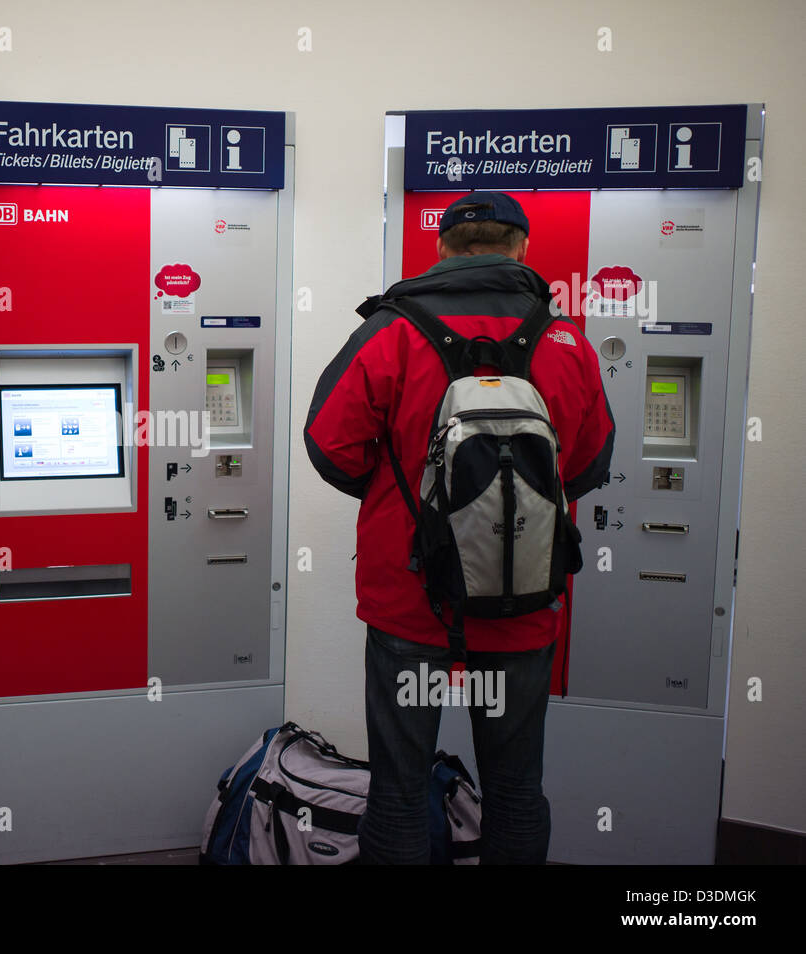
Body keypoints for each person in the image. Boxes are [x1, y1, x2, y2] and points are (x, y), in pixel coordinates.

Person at [304, 192, 614, 863]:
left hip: (410, 602)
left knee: (399, 789)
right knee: (515, 790)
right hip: (522, 605)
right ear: (521, 248)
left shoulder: (390, 333)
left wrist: (401, 490)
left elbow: (330, 447)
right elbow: (587, 467)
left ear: (442, 249)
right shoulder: (567, 343)